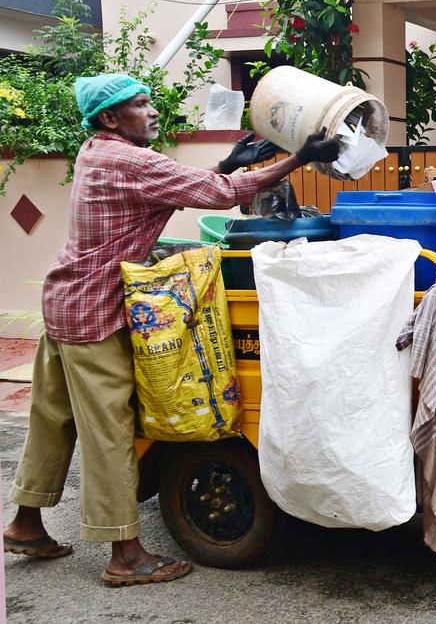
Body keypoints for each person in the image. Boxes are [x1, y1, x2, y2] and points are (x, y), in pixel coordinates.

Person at [2, 73, 340, 586]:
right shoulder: (126, 158)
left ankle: (26, 524)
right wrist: (299, 157)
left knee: (55, 417)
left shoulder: (98, 151)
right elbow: (221, 195)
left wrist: (229, 162)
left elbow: (177, 189)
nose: (153, 111)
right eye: (140, 105)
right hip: (96, 310)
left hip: (67, 300)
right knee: (111, 429)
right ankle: (126, 555)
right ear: (111, 118)